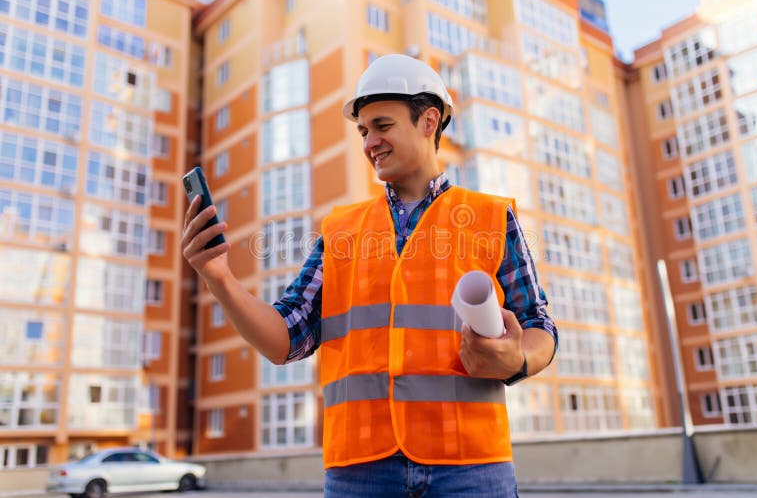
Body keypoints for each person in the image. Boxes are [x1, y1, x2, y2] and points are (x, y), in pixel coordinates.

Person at [182, 54, 558, 497]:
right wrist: (219, 279)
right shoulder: (341, 230)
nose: (369, 142)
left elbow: (538, 324)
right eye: (363, 131)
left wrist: (517, 359)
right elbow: (286, 338)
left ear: (428, 121)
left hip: (470, 465)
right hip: (360, 469)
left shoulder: (492, 217)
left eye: (382, 125)